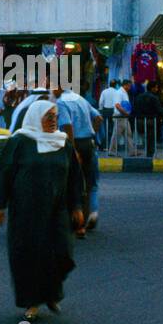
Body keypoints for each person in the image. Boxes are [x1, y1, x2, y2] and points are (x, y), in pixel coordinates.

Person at [0, 100, 85, 321]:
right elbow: (4, 172)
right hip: (26, 212)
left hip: (57, 209)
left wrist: (77, 206)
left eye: (55, 116)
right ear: (35, 117)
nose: (53, 121)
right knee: (29, 256)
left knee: (62, 252)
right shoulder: (20, 142)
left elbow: (74, 178)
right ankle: (32, 301)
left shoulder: (63, 143)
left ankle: (51, 293)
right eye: (48, 116)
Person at [54, 85, 102, 233]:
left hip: (74, 144)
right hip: (88, 142)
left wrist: (73, 149)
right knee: (89, 182)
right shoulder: (80, 99)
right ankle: (89, 217)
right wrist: (92, 133)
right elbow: (98, 118)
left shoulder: (61, 102)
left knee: (73, 182)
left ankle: (77, 222)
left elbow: (67, 126)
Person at [132, 80, 163, 159]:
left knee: (143, 138)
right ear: (152, 88)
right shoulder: (154, 98)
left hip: (140, 121)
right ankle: (149, 155)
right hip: (151, 121)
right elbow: (159, 110)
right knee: (151, 139)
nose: (157, 89)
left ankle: (146, 153)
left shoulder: (138, 96)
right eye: (156, 88)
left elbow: (134, 108)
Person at [108, 79, 135, 154]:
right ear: (125, 85)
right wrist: (126, 113)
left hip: (123, 117)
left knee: (128, 134)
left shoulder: (124, 92)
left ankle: (131, 151)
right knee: (116, 135)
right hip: (120, 117)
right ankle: (112, 151)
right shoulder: (119, 93)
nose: (130, 87)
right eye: (129, 86)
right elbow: (117, 105)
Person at [98, 80, 121, 147]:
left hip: (106, 111)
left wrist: (101, 109)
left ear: (109, 84)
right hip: (114, 111)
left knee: (105, 128)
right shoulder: (117, 92)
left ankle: (105, 145)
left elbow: (101, 102)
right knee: (114, 128)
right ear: (115, 85)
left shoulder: (104, 91)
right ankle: (113, 145)